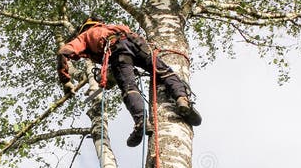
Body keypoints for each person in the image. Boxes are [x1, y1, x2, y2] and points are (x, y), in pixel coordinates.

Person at [57, 17, 202, 146]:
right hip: (137, 44)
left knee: (129, 88)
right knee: (165, 72)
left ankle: (141, 122)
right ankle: (182, 100)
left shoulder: (85, 36)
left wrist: (66, 81)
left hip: (118, 52)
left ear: (85, 28)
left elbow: (63, 52)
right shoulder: (113, 26)